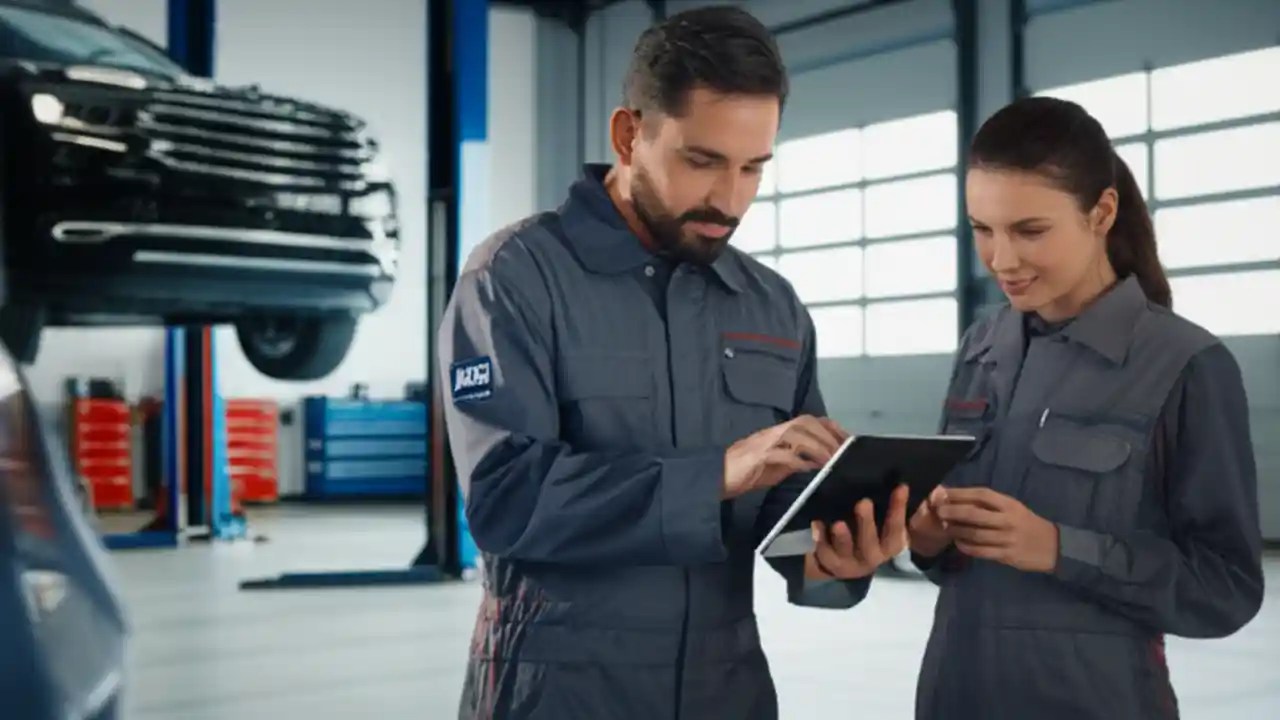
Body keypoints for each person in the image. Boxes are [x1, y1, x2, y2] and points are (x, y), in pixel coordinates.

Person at [437, 6, 908, 720]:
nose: (731, 198)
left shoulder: (771, 307)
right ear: (630, 136)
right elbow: (508, 500)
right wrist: (716, 474)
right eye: (703, 160)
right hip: (561, 693)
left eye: (754, 167)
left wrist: (833, 558)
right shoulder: (515, 279)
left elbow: (787, 518)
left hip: (728, 691)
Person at [906, 95, 1265, 719]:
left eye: (1030, 230)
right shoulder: (981, 347)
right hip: (954, 693)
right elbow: (950, 560)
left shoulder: (1184, 365)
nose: (1001, 260)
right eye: (983, 230)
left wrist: (1055, 546)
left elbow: (1224, 590)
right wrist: (930, 539)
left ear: (1101, 212)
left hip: (1094, 702)